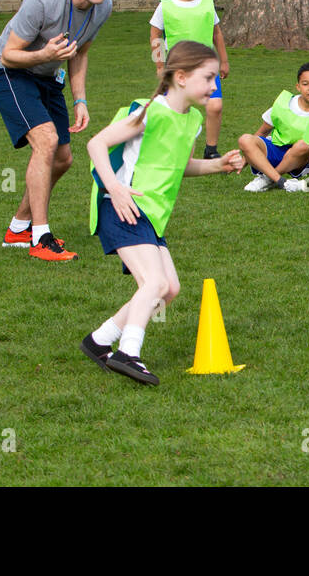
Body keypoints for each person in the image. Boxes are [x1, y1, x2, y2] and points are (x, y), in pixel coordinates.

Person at [82, 41, 244, 385]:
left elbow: (179, 165)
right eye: (209, 77)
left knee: (168, 289)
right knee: (154, 283)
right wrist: (114, 187)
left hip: (152, 215)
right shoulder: (150, 111)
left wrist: (218, 165)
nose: (214, 86)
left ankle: (98, 341)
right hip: (123, 207)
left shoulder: (193, 120)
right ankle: (129, 353)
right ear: (181, 77)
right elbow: (96, 143)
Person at [0, 0, 116, 262]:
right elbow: (8, 54)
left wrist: (80, 100)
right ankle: (40, 238)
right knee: (46, 140)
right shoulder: (42, 1)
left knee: (62, 158)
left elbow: (80, 52)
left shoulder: (104, 7)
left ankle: (18, 228)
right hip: (8, 74)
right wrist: (45, 55)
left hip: (46, 78)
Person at [150, 0, 229, 158]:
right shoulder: (165, 6)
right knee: (173, 109)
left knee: (215, 106)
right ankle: (169, 148)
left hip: (207, 67)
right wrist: (160, 64)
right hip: (178, 68)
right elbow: (155, 35)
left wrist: (224, 60)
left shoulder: (207, 3)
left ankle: (211, 150)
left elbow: (216, 33)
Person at [239, 62, 309, 192]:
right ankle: (280, 181)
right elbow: (262, 132)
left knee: (304, 144)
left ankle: (268, 179)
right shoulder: (284, 104)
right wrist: (245, 159)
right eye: (305, 84)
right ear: (298, 87)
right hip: (276, 150)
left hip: (303, 157)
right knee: (245, 139)